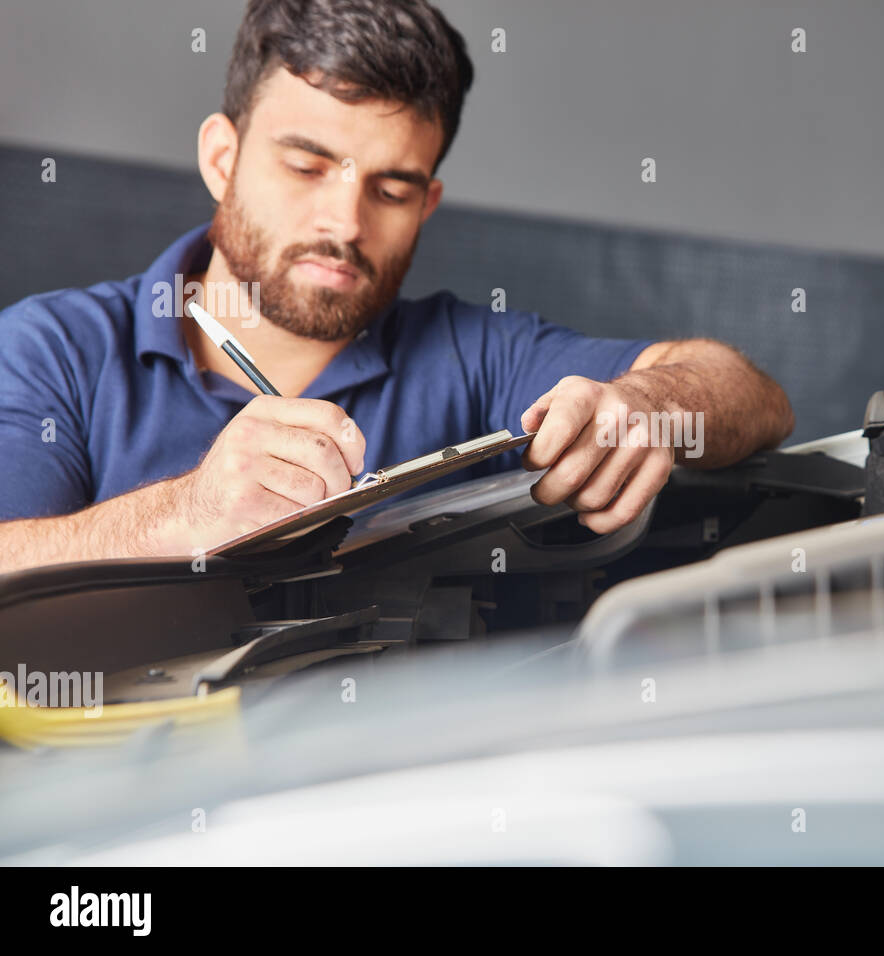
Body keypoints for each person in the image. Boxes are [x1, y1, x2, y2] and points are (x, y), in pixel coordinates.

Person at [0, 0, 793, 574]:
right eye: (306, 166)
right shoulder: (52, 352)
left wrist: (649, 407)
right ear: (221, 159)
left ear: (428, 204)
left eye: (392, 189)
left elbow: (754, 398)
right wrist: (183, 515)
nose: (345, 222)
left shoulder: (472, 355)